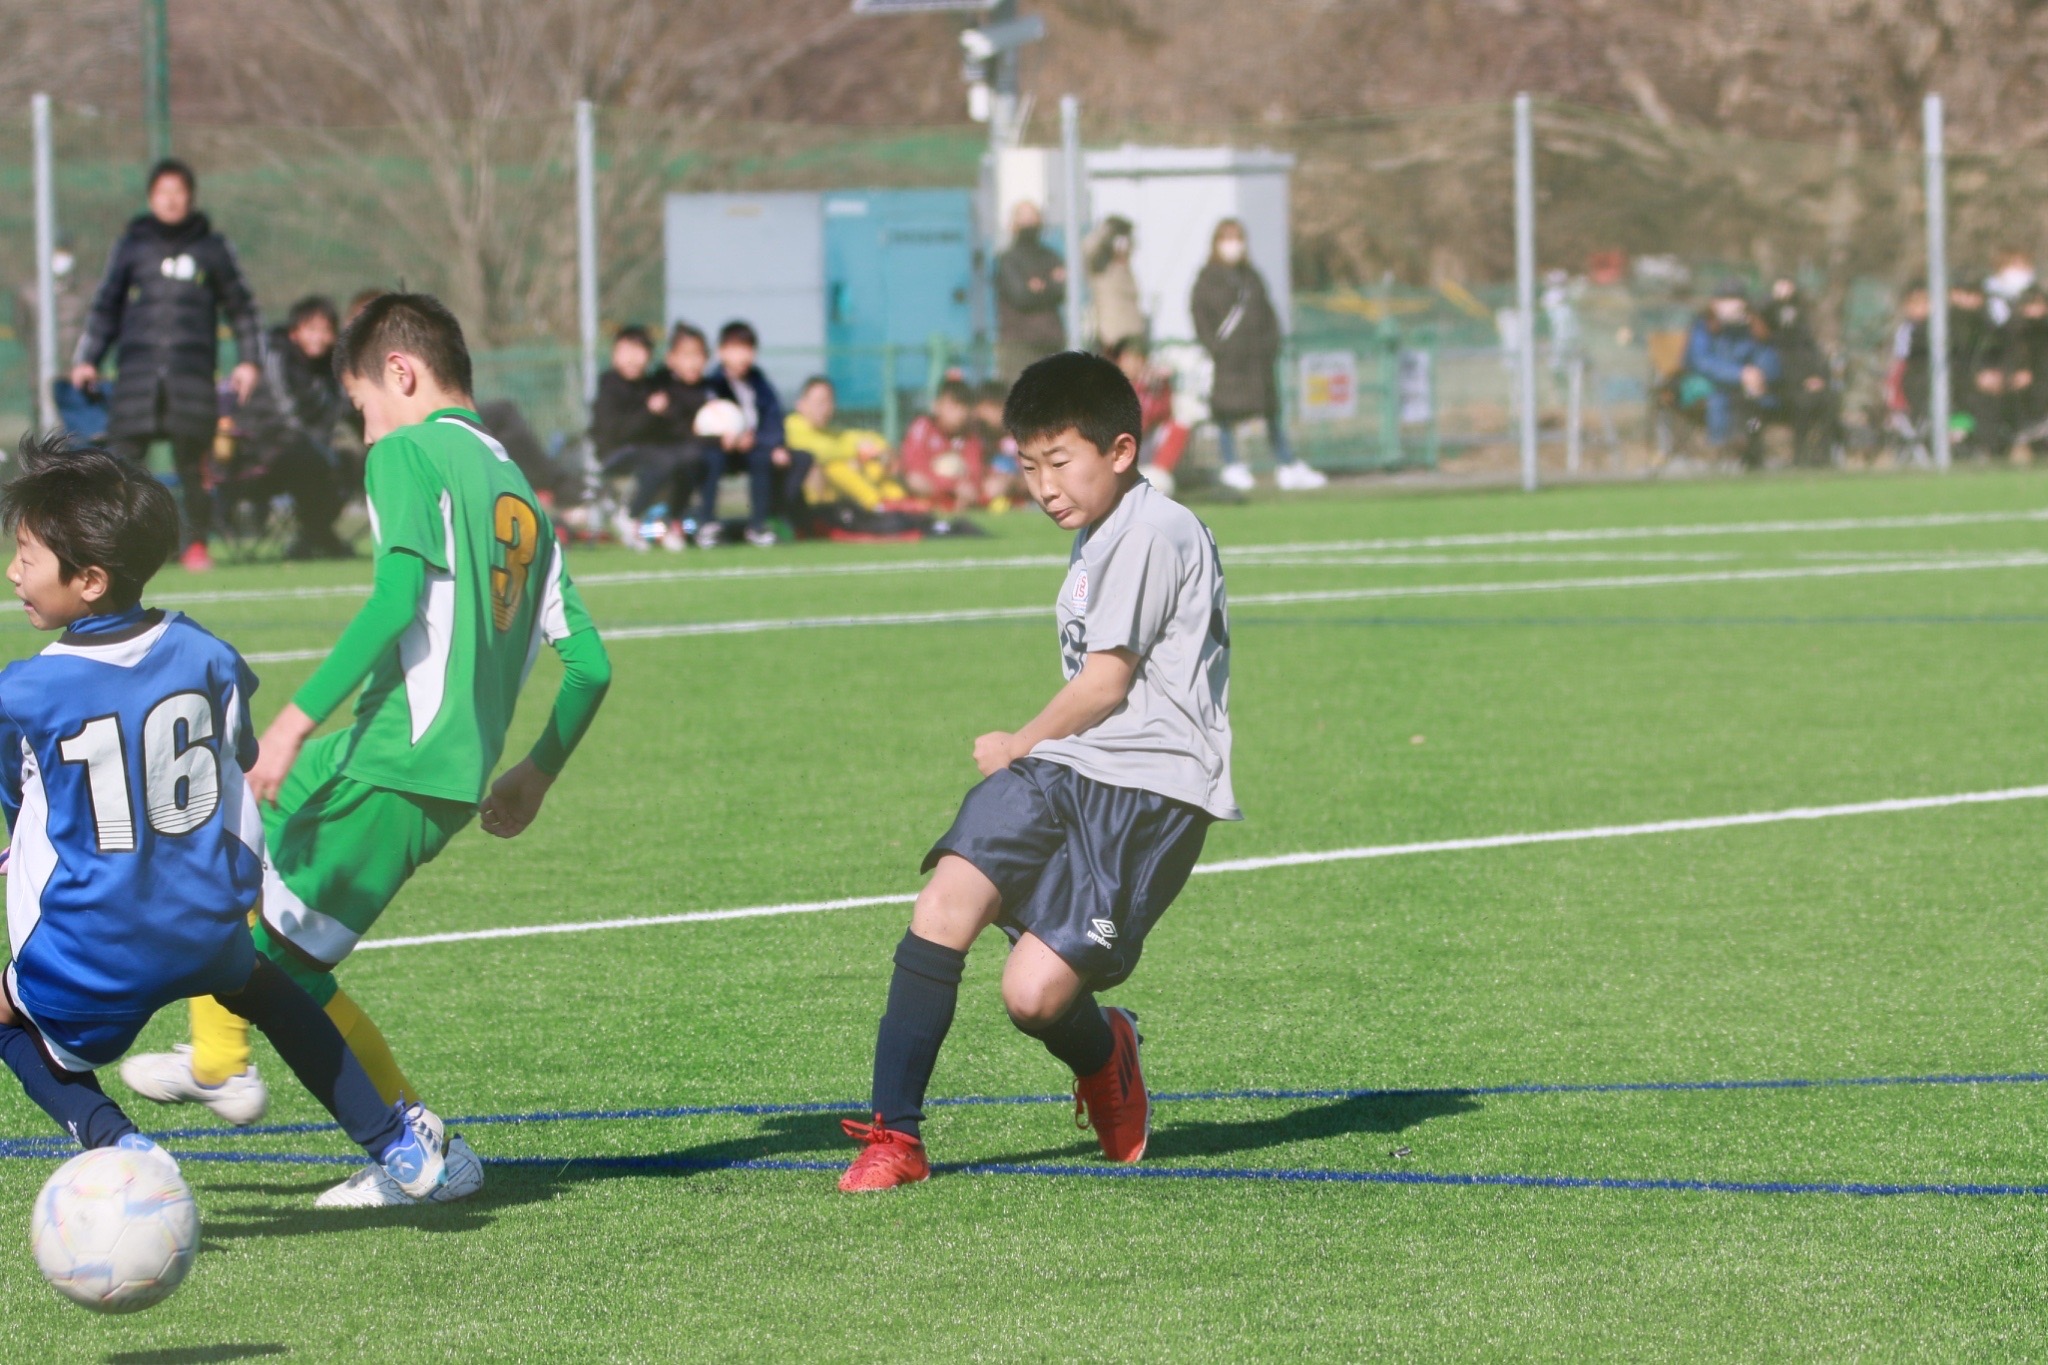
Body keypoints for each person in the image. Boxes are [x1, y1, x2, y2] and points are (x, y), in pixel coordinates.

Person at [119, 293, 613, 1208]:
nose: (362, 424)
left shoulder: (405, 451)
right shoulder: (519, 490)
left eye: (360, 403)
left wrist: (295, 718)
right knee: (226, 823)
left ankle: (418, 1145)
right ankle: (221, 1058)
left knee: (283, 964)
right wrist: (536, 771)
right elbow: (589, 666)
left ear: (401, 373)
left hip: (399, 758)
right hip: (413, 754)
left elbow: (393, 604)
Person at [0, 434, 449, 1202]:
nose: (13, 572)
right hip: (208, 924)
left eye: (27, 557)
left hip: (92, 946)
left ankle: (119, 1141)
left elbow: (22, 809)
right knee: (271, 993)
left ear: (91, 579)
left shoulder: (24, 695)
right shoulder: (210, 655)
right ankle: (395, 1142)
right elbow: (231, 761)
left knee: (6, 1019)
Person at [839, 350, 1241, 1191]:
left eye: (1060, 462)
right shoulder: (1098, 535)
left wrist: (1019, 741)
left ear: (1121, 451)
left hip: (1151, 790)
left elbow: (1107, 681)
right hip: (1067, 767)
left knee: (1034, 996)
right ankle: (894, 1136)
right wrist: (1035, 754)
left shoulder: (1154, 529)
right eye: (1028, 466)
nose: (1043, 485)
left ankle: (1108, 1053)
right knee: (947, 896)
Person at [70, 159, 263, 573]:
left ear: (191, 198)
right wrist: (87, 359)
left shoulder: (212, 248)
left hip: (190, 376)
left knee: (193, 467)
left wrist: (250, 360)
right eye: (163, 192)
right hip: (137, 375)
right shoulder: (131, 246)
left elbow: (242, 308)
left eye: (179, 192)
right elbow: (106, 307)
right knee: (121, 467)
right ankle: (121, 550)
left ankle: (194, 546)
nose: (171, 200)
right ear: (151, 197)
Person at [1191, 219, 1325, 493]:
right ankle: (1232, 464)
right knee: (1226, 414)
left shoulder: (1251, 276)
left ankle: (1287, 464)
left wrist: (1270, 345)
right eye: (1227, 238)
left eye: (1237, 238)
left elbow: (1268, 313)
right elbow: (1200, 315)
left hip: (1257, 360)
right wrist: (1216, 347)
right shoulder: (1208, 279)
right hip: (1228, 360)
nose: (1233, 245)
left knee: (1270, 413)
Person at [233, 294, 352, 559]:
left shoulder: (332, 368)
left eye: (326, 330)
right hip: (262, 451)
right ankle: (318, 535)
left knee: (353, 461)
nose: (319, 337)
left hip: (311, 452)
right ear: (294, 332)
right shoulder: (274, 357)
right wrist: (322, 449)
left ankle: (312, 535)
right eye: (311, 329)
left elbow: (341, 409)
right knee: (309, 459)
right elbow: (285, 414)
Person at [592, 324, 709, 551]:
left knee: (689, 457)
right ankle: (629, 514)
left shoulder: (651, 386)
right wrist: (649, 412)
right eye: (627, 351)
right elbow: (615, 433)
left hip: (648, 453)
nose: (633, 359)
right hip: (615, 453)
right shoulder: (609, 386)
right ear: (615, 354)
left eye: (640, 352)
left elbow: (670, 427)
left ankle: (666, 521)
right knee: (663, 460)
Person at [699, 321, 805, 547]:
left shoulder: (759, 382)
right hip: (720, 450)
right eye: (736, 348)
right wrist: (729, 439)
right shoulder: (712, 384)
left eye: (748, 349)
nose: (743, 356)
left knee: (787, 458)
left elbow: (772, 417)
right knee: (711, 459)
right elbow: (706, 422)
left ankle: (761, 523)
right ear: (721, 352)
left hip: (754, 448)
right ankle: (706, 524)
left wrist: (775, 445)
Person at [1679, 282, 1779, 466]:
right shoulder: (1702, 327)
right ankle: (1722, 450)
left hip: (1748, 390)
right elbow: (1700, 362)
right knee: (1721, 397)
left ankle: (1750, 455)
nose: (1733, 305)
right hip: (1704, 386)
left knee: (1755, 400)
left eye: (1737, 300)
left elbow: (1768, 358)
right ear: (1714, 304)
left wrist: (1759, 376)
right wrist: (1740, 374)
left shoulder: (1754, 328)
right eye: (1726, 300)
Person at [784, 375, 911, 512]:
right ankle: (876, 504)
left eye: (830, 402)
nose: (826, 408)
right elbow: (821, 452)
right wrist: (854, 456)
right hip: (810, 502)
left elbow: (861, 438)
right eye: (820, 402)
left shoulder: (830, 432)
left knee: (874, 467)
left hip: (837, 496)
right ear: (801, 405)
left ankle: (900, 503)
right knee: (835, 467)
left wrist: (882, 450)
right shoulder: (791, 427)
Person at [1758, 278, 1839, 467]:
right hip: (1782, 388)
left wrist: (1819, 378)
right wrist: (1774, 299)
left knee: (1830, 400)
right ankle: (1800, 457)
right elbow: (1761, 315)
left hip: (1809, 384)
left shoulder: (1804, 335)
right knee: (1802, 403)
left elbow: (1814, 355)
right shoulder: (1770, 338)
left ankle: (1822, 456)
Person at [15, 238, 87, 425]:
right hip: (41, 374)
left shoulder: (86, 290)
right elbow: (23, 329)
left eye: (64, 251)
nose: (60, 257)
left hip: (77, 373)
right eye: (55, 251)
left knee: (77, 428)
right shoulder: (28, 292)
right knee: (44, 425)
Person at [995, 202, 1067, 381]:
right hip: (1019, 345)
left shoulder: (1051, 255)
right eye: (1023, 218)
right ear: (1012, 224)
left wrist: (1039, 288)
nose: (1029, 223)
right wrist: (1047, 286)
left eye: (1033, 218)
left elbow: (1061, 292)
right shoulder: (1007, 259)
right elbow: (1021, 297)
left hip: (1050, 342)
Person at [1110, 336, 1191, 487]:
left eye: (1138, 359)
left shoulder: (1153, 384)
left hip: (1143, 441)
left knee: (1181, 422)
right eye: (1128, 358)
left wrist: (1159, 387)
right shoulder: (1110, 384)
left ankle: (1158, 475)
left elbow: (1165, 413)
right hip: (1117, 447)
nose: (1133, 364)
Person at [900, 378, 986, 511]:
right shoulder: (923, 427)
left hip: (956, 488)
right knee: (915, 481)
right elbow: (915, 468)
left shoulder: (969, 435)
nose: (959, 414)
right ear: (937, 406)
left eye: (963, 407)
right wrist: (951, 485)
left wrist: (967, 486)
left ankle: (948, 504)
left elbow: (975, 471)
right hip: (932, 484)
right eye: (953, 407)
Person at [1084, 214, 1145, 352]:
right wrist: (1108, 231)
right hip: (1112, 339)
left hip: (1133, 337)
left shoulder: (1126, 271)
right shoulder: (1102, 268)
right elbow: (1088, 248)